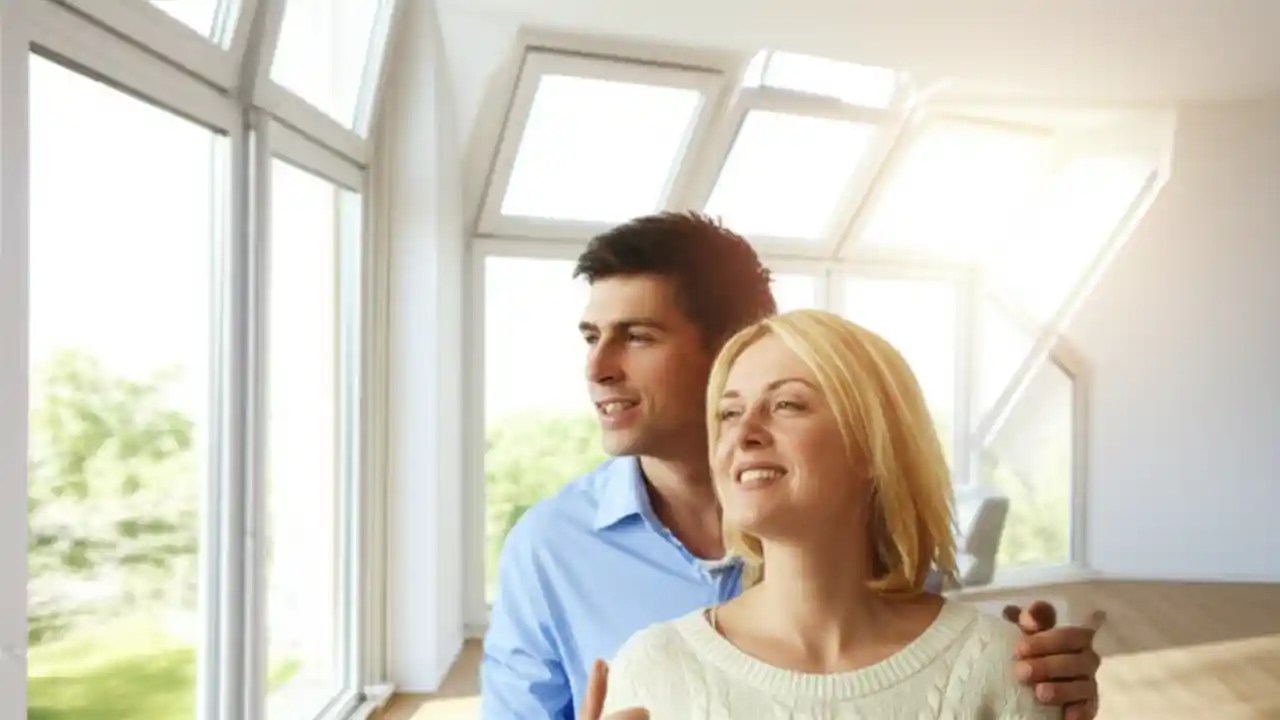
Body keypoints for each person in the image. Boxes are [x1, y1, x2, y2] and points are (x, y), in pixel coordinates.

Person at [481, 212, 1102, 720]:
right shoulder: (548, 549)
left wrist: (1039, 682)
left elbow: (926, 682)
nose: (597, 369)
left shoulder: (871, 532)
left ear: (733, 346)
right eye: (591, 337)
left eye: (637, 336)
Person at [598, 309, 1060, 718]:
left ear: (873, 446)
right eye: (729, 413)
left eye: (786, 405)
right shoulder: (654, 668)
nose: (745, 433)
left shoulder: (999, 666)